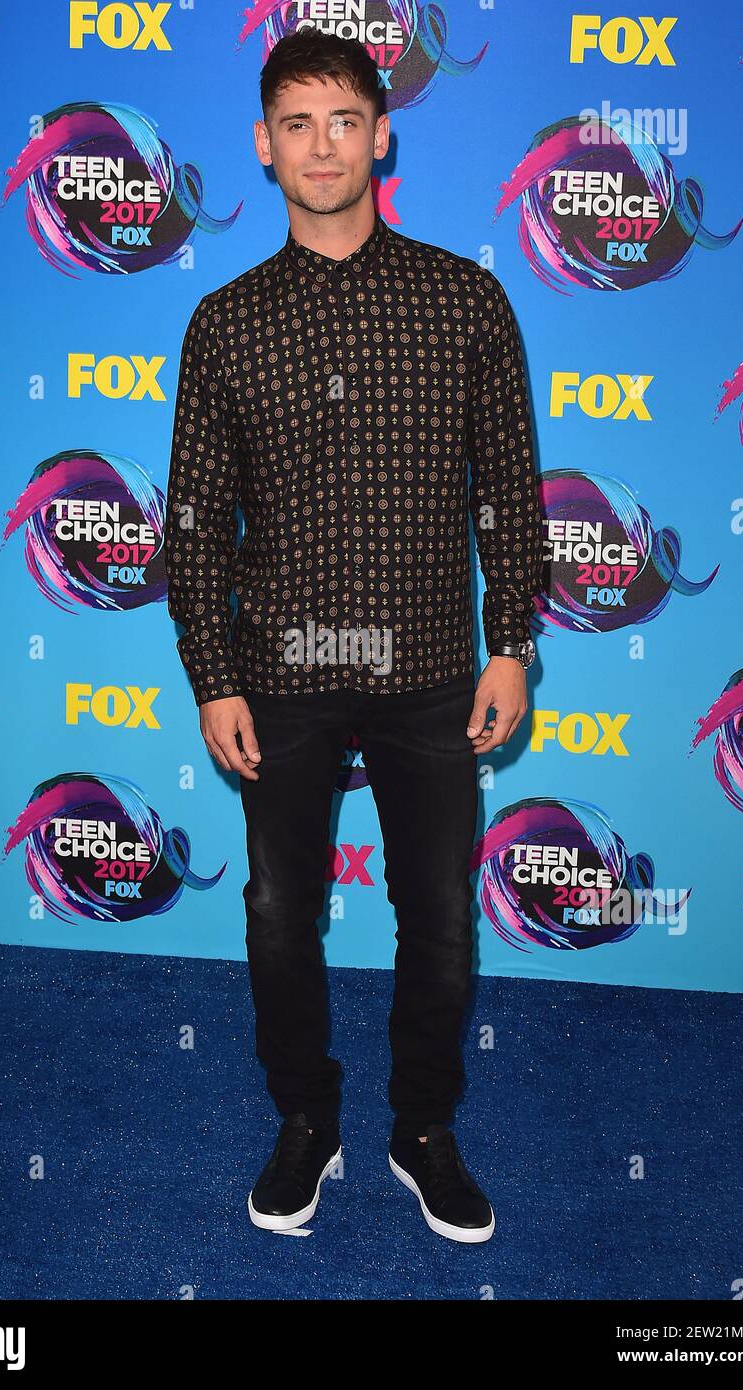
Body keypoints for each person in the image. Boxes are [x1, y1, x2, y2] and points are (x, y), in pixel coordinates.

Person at [165, 28, 544, 1244]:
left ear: (382, 134)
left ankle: (423, 1129)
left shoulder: (465, 299)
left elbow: (512, 493)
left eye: (342, 120)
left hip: (436, 667)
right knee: (280, 912)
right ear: (263, 147)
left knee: (435, 911)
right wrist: (214, 674)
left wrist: (511, 642)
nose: (320, 145)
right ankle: (306, 1120)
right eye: (295, 124)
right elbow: (190, 523)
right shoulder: (224, 324)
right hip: (278, 671)